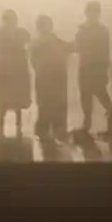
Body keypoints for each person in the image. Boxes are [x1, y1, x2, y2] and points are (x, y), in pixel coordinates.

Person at [75, 0, 112, 139]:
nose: (90, 15)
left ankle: (91, 123)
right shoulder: (100, 30)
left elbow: (80, 47)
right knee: (94, 94)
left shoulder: (89, 30)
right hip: (93, 66)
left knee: (93, 95)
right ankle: (103, 122)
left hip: (91, 66)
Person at [30, 14, 72, 143]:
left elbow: (34, 62)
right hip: (54, 78)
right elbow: (67, 51)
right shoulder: (56, 42)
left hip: (46, 78)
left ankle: (45, 131)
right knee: (54, 104)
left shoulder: (36, 44)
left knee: (45, 105)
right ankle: (58, 132)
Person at [0, 9, 32, 136]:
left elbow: (28, 41)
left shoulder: (15, 32)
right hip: (8, 68)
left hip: (16, 67)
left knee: (16, 94)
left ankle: (16, 120)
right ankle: (3, 118)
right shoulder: (1, 34)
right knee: (6, 93)